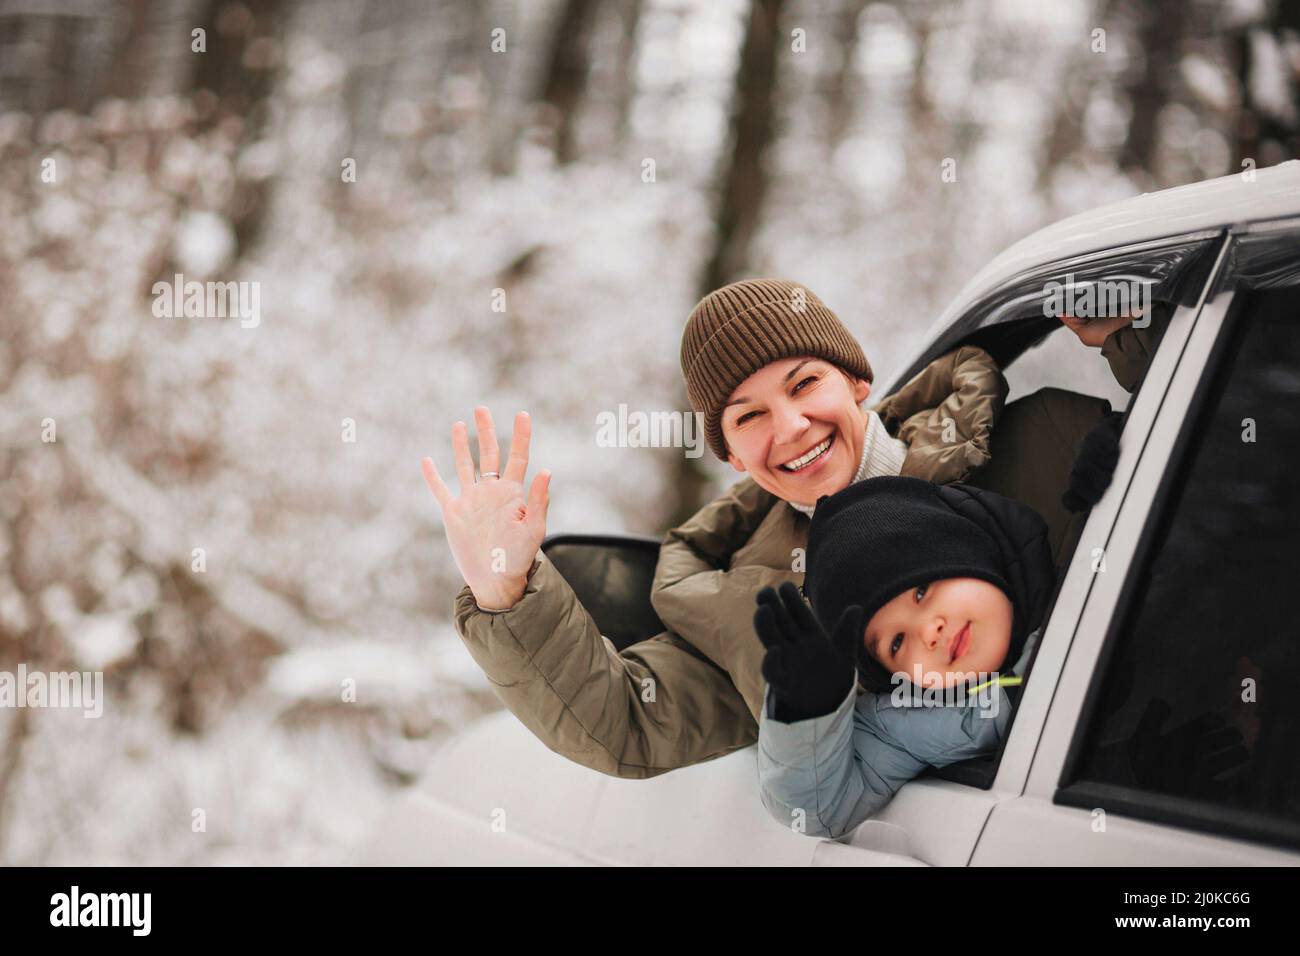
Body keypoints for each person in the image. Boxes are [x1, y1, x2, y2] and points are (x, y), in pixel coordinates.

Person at [422, 278, 1155, 779]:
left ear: (857, 383)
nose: (791, 427)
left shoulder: (1044, 440)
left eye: (805, 384)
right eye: (748, 417)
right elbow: (627, 726)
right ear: (732, 454)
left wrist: (1130, 335)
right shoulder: (746, 603)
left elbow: (1240, 491)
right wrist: (506, 590)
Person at [751, 476, 1055, 838]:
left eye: (922, 590)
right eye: (896, 644)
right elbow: (819, 809)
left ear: (974, 549)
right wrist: (809, 709)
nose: (929, 632)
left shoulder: (1097, 577)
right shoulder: (910, 724)